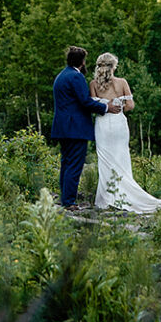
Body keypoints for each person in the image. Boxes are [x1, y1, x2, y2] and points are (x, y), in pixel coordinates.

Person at [89, 52, 161, 213]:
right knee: (121, 158)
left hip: (102, 124)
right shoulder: (122, 82)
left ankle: (106, 198)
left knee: (105, 160)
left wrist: (106, 107)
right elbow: (130, 105)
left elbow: (93, 106)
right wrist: (120, 108)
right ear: (113, 67)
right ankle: (125, 195)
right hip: (118, 123)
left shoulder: (93, 84)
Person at [50, 45, 119, 210]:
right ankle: (69, 202)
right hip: (75, 128)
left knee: (66, 164)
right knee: (74, 164)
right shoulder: (76, 77)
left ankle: (65, 198)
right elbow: (85, 101)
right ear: (81, 62)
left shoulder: (61, 76)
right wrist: (105, 107)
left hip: (62, 127)